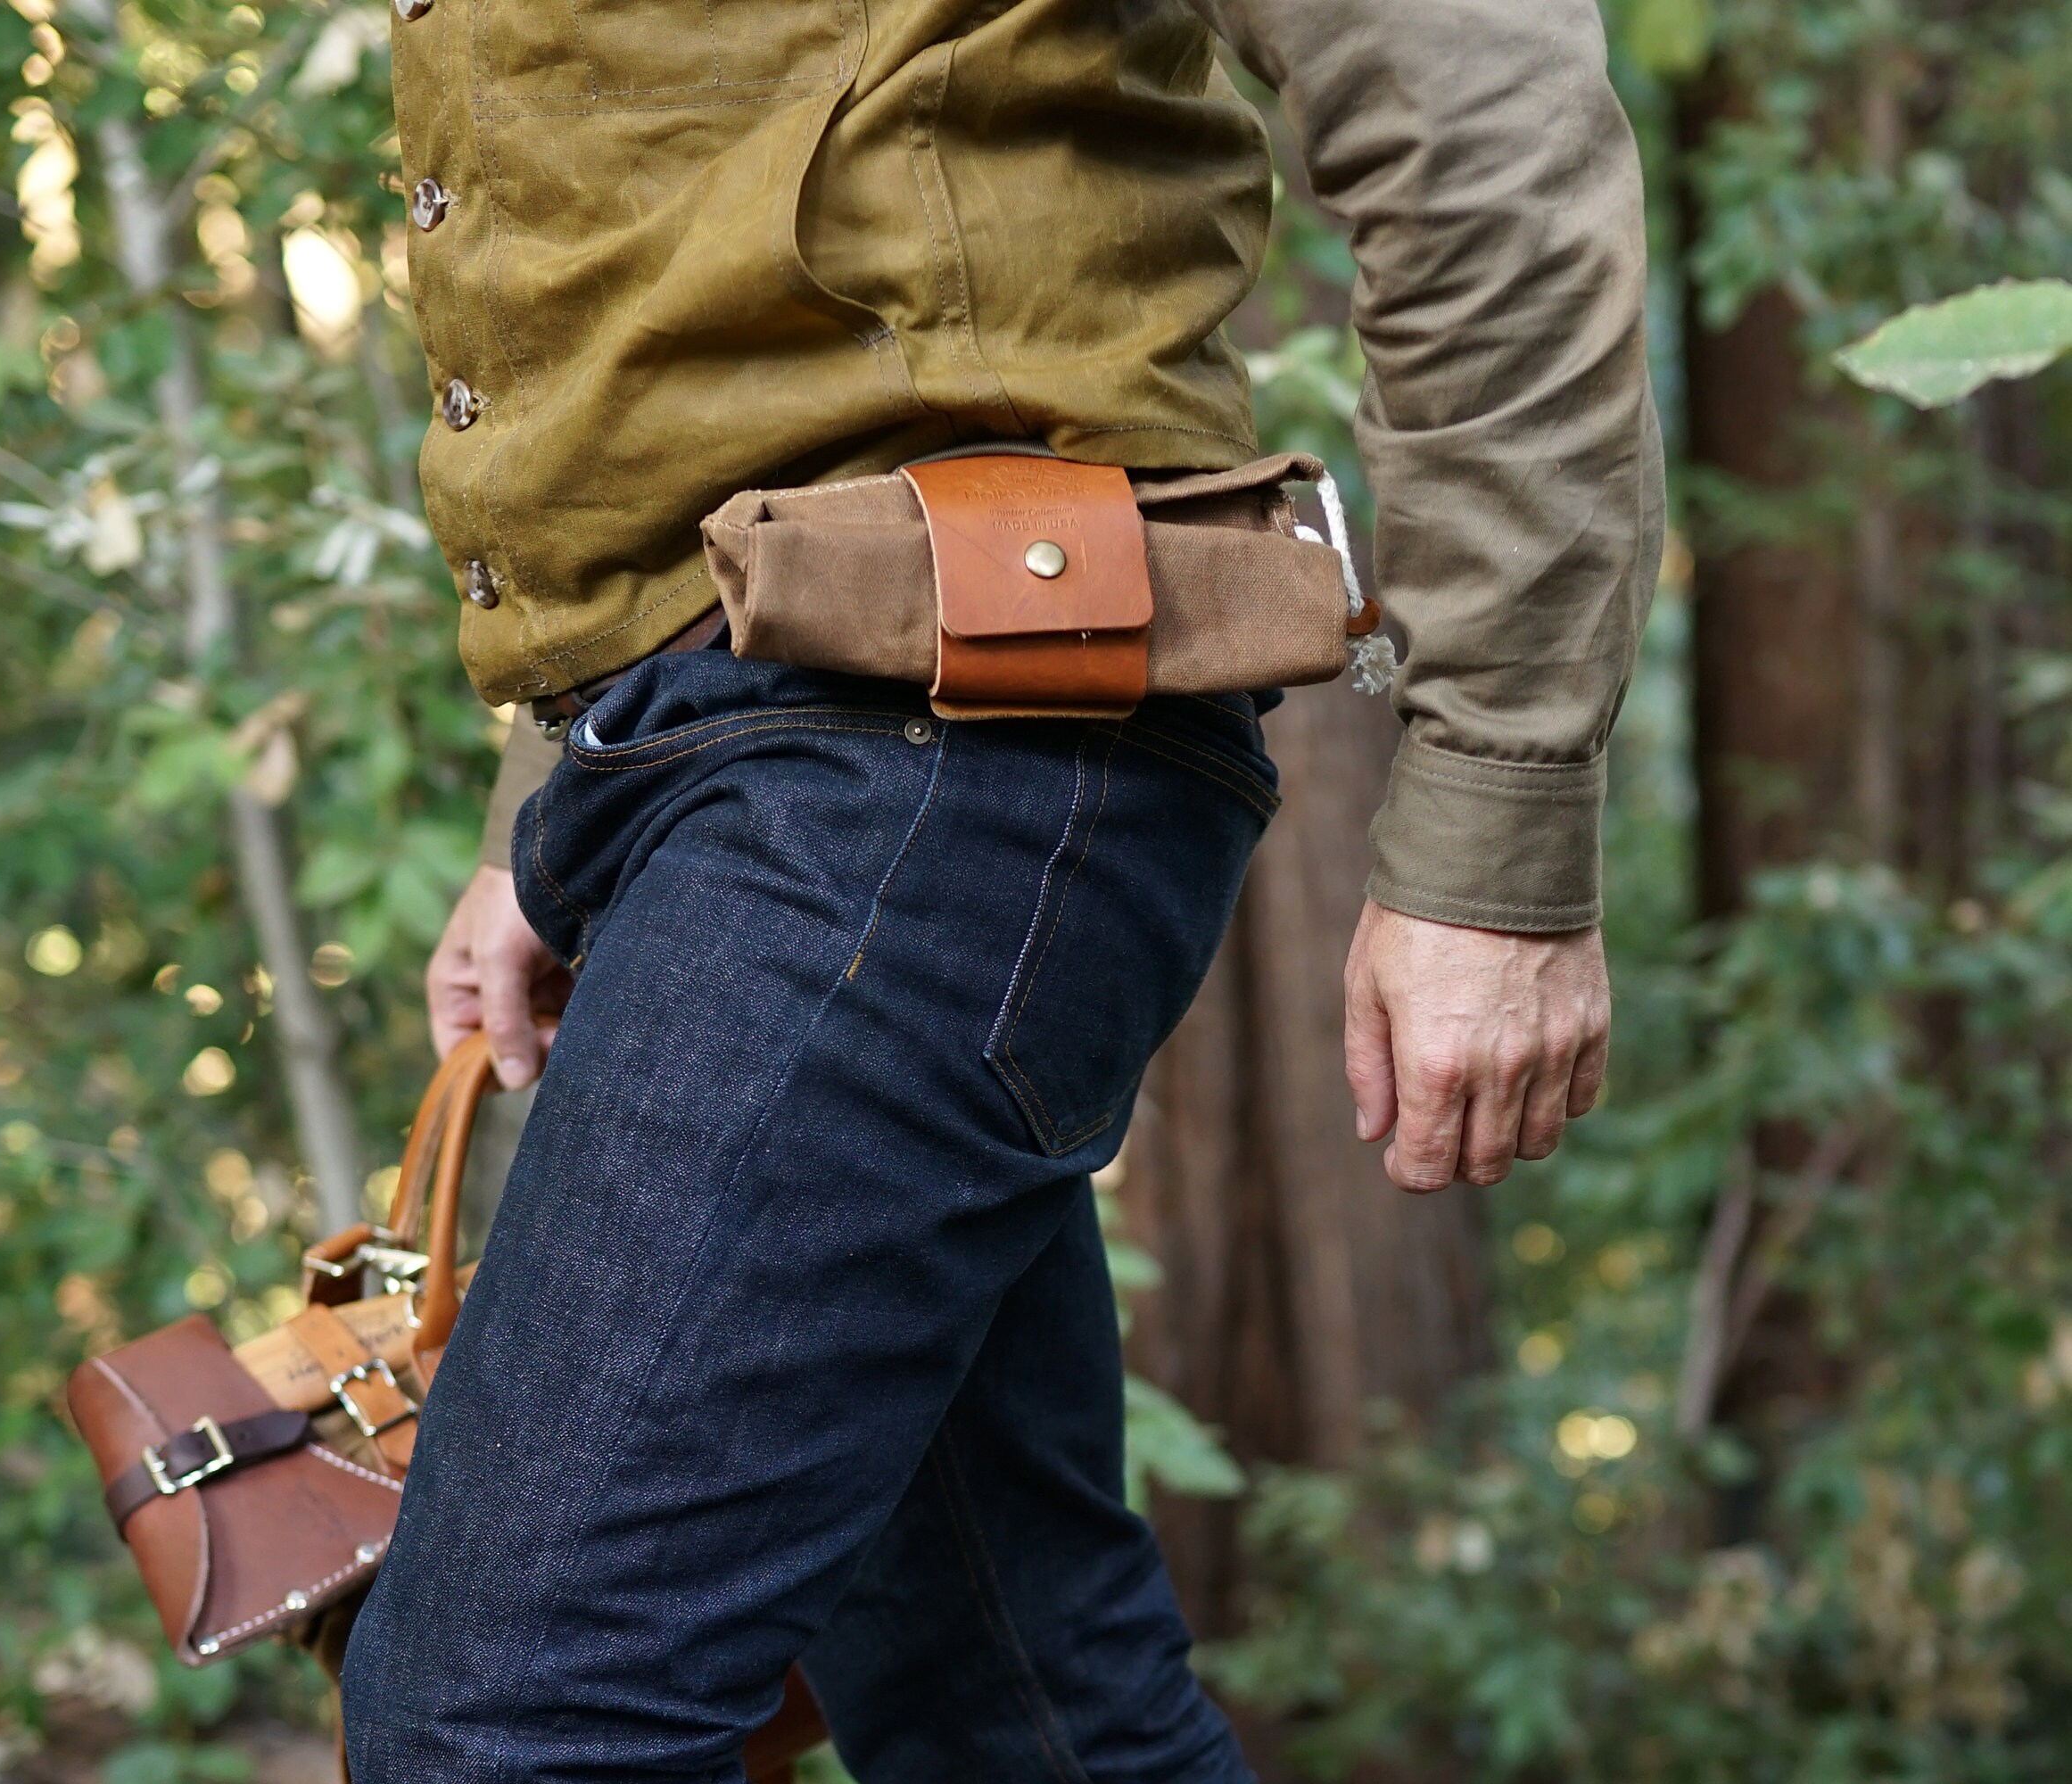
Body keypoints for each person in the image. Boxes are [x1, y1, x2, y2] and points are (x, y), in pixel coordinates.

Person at [343, 0, 1660, 1775]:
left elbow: (1476, 108)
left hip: (935, 738)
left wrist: (1498, 820)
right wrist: (549, 805)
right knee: (1021, 1719)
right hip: (748, 745)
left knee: (502, 1728)